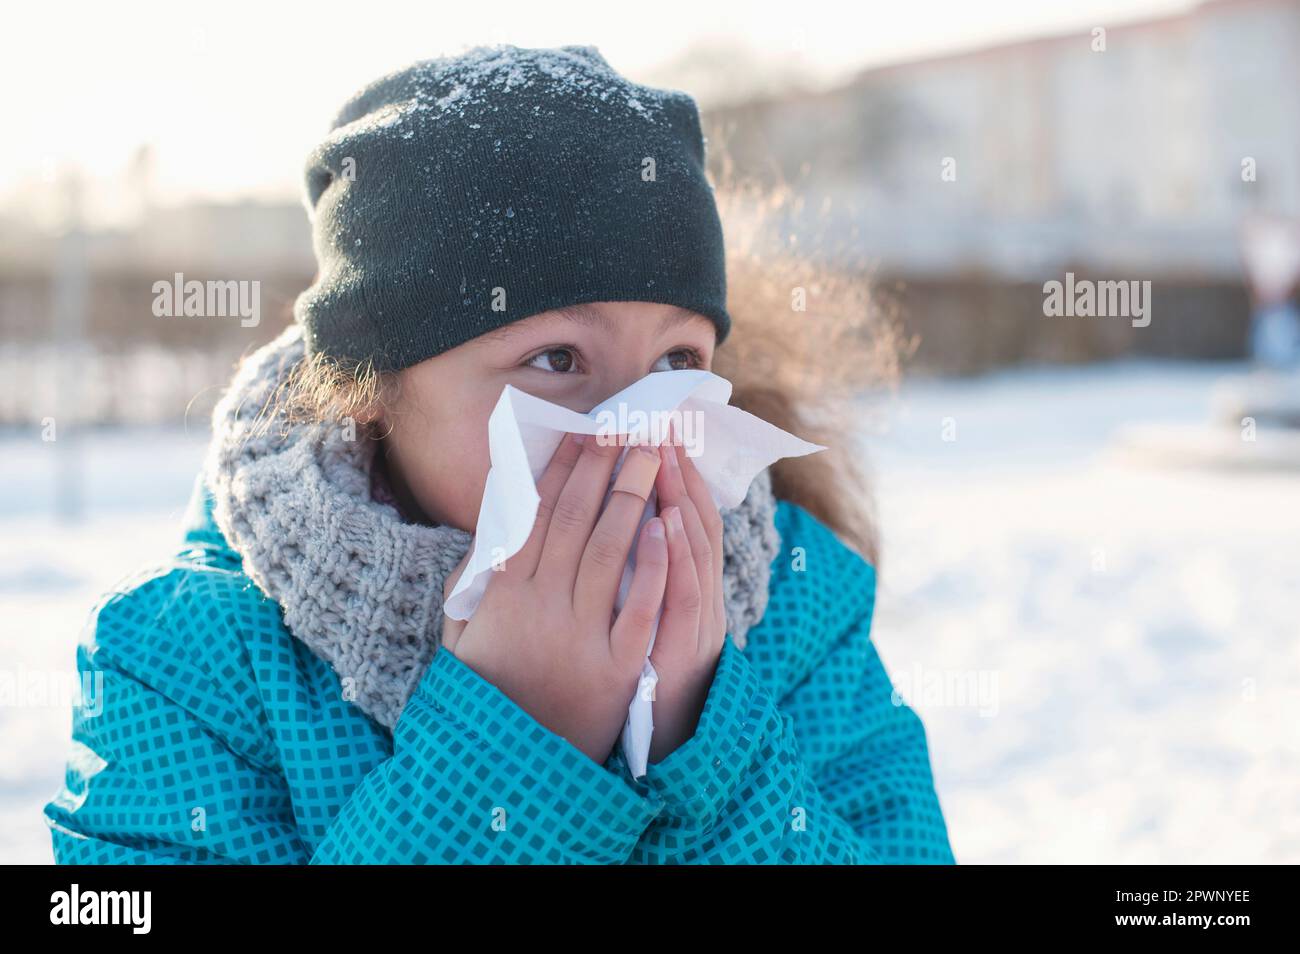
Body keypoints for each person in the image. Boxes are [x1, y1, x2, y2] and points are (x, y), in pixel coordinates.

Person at [43, 45, 954, 864]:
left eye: (678, 362)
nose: (637, 423)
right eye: (556, 360)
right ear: (376, 388)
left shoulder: (795, 608)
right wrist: (514, 749)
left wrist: (702, 741)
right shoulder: (184, 665)